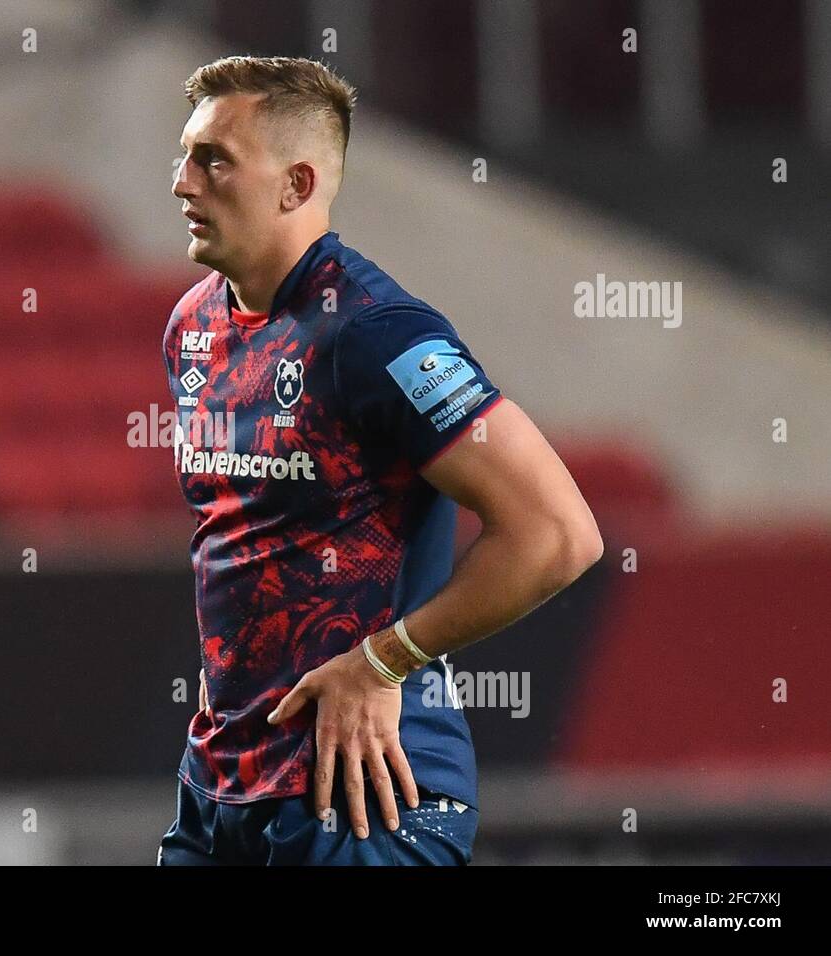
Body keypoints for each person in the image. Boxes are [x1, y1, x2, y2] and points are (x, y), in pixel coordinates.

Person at [157, 55, 602, 865]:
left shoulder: (376, 332)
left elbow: (558, 532)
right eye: (184, 155)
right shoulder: (193, 327)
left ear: (296, 186)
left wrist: (381, 663)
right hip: (221, 784)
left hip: (364, 792)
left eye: (213, 160)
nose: (183, 182)